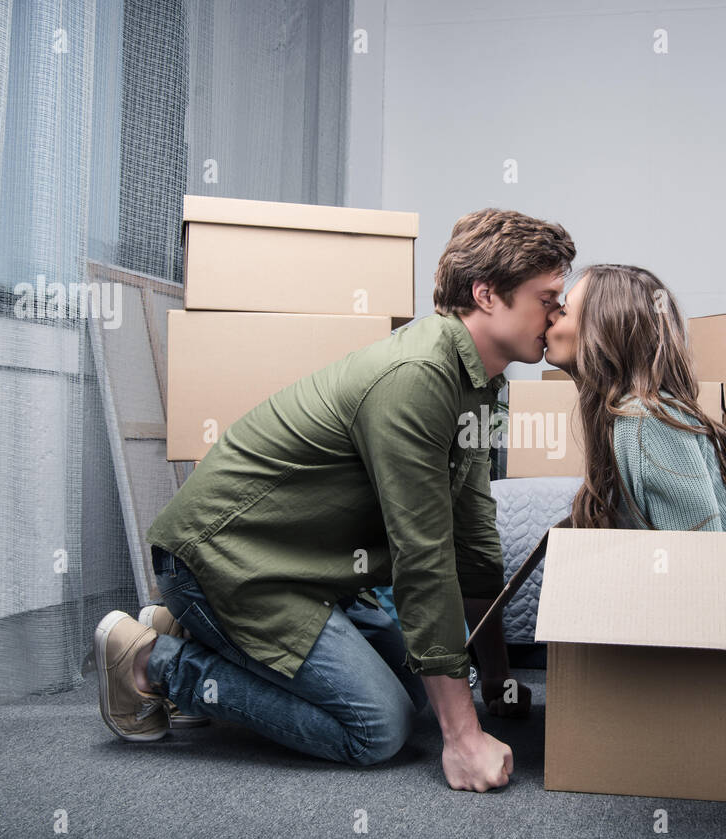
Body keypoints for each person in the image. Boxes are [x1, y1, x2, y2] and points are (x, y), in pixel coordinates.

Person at [93, 208, 575, 793]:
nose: (560, 312)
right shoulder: (419, 375)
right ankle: (152, 663)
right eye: (548, 297)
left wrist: (494, 680)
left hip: (304, 570)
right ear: (487, 295)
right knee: (381, 726)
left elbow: (472, 534)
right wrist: (463, 738)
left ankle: (196, 632)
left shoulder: (482, 381)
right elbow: (423, 558)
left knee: (422, 687)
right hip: (228, 560)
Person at [542, 264, 726, 535]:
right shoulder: (624, 415)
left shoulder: (646, 421)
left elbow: (697, 555)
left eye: (565, 310)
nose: (551, 317)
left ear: (603, 332)